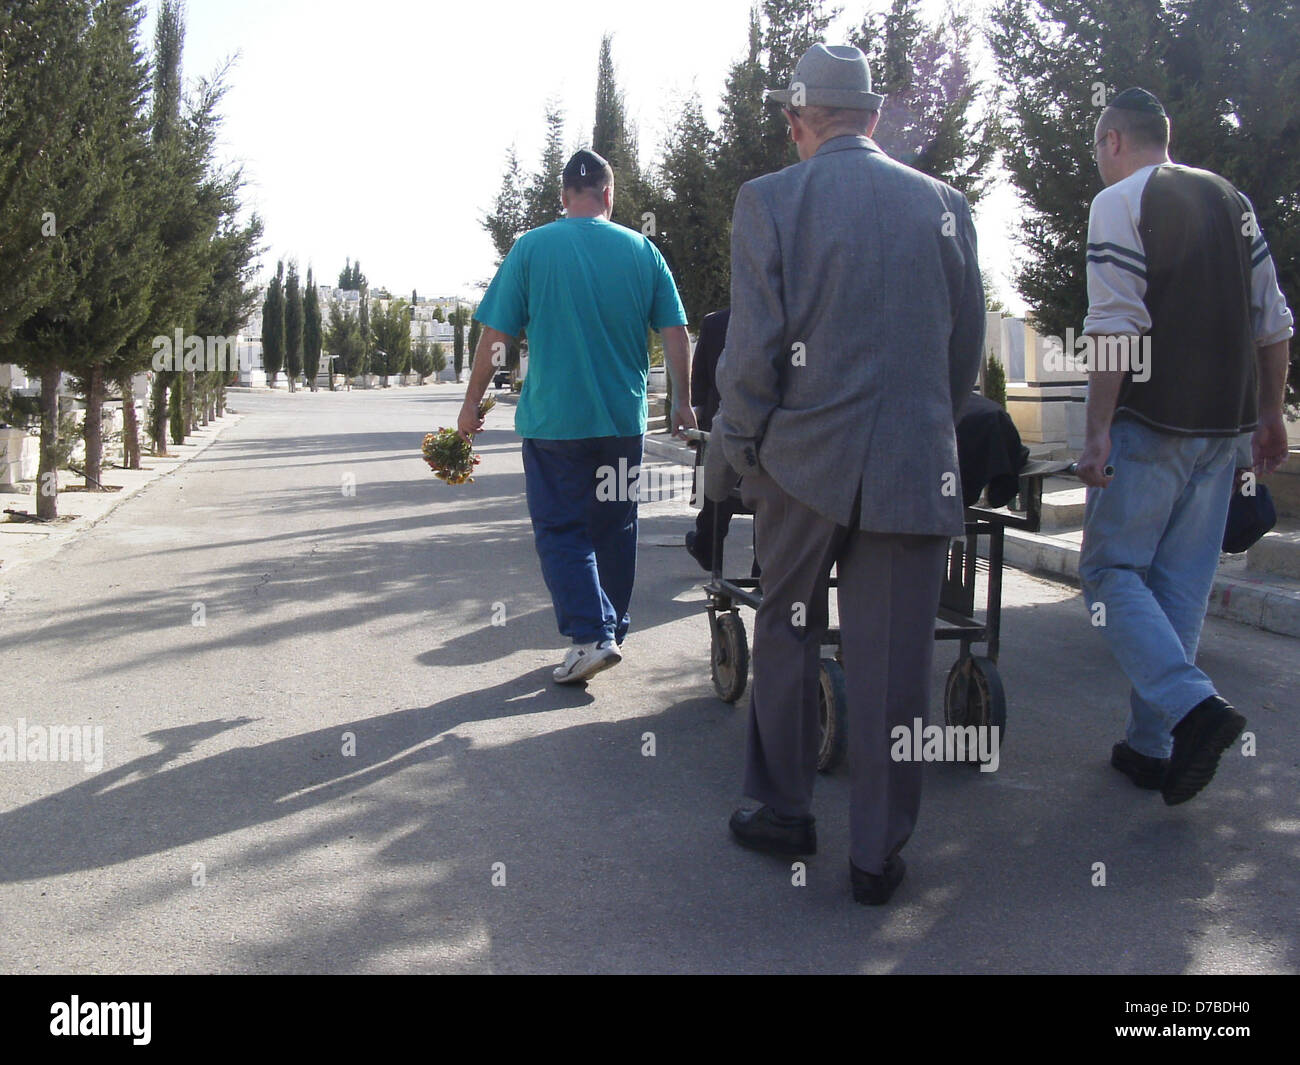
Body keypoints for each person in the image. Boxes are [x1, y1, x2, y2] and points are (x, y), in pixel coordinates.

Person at [704, 44, 984, 905]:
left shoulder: (771, 200)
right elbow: (964, 352)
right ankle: (877, 853)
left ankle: (784, 809)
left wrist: (738, 449)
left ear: (799, 122)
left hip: (800, 465)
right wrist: (924, 424)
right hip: (912, 465)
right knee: (894, 660)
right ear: (871, 116)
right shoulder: (946, 205)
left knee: (786, 633)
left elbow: (751, 355)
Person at [1074, 88, 1293, 804]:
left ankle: (1194, 707)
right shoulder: (1232, 200)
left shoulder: (1122, 201)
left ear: (1113, 141)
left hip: (1152, 421)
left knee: (1110, 572)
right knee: (1179, 588)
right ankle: (1152, 746)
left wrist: (1098, 428)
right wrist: (1271, 412)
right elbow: (1273, 319)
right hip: (1224, 431)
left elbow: (1114, 323)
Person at [462, 149, 695, 684]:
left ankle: (593, 635)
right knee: (614, 526)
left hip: (555, 424)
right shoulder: (643, 250)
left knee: (561, 529)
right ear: (609, 195)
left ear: (564, 196)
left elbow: (497, 338)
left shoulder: (531, 248)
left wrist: (472, 402)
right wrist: (682, 400)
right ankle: (610, 632)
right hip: (621, 422)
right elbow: (676, 332)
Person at [684, 308, 741, 572]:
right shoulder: (785, 317)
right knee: (766, 503)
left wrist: (697, 415)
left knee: (715, 497)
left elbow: (700, 379)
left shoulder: (715, 322)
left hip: (720, 424)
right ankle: (761, 574)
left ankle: (707, 552)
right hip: (769, 426)